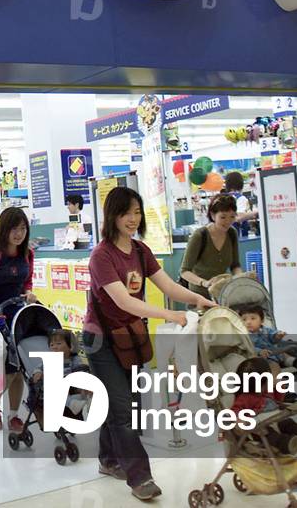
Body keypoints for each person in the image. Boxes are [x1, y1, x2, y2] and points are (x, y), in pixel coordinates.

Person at [83, 186, 216, 501]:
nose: (132, 218)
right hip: (101, 340)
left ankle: (108, 459)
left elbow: (168, 284)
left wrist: (199, 299)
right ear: (112, 216)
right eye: (126, 212)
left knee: (124, 404)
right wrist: (169, 314)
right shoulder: (101, 255)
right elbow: (125, 301)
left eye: (137, 212)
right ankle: (140, 477)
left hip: (130, 340)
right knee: (123, 409)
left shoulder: (140, 251)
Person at [0, 207, 38, 433]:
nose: (19, 234)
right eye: (14, 228)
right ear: (4, 230)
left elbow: (27, 281)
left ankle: (13, 415)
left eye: (23, 228)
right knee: (7, 367)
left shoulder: (27, 255)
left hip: (18, 316)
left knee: (19, 367)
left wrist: (30, 293)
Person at [230, 358, 297, 455]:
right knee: (271, 436)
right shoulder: (245, 397)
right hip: (261, 428)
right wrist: (240, 420)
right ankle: (287, 444)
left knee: (288, 423)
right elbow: (234, 411)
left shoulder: (268, 390)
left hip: (277, 419)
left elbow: (278, 401)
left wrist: (279, 386)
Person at [179, 194, 246, 302]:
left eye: (232, 216)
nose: (228, 221)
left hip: (223, 295)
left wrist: (241, 278)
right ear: (213, 215)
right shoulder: (200, 235)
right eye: (223, 217)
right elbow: (184, 271)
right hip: (199, 298)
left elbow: (235, 265)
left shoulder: (232, 233)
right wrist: (205, 283)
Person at [239, 305, 297, 371]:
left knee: (284, 354)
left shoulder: (266, 330)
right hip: (261, 358)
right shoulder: (244, 335)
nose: (248, 322)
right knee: (274, 366)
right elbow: (247, 347)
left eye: (252, 318)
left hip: (275, 353)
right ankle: (274, 383)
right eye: (244, 319)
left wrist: (277, 336)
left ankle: (296, 362)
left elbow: (273, 338)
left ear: (261, 321)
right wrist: (260, 351)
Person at [223, 171, 257, 237]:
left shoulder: (221, 198)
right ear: (241, 184)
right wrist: (254, 213)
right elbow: (238, 217)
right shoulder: (240, 198)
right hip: (237, 235)